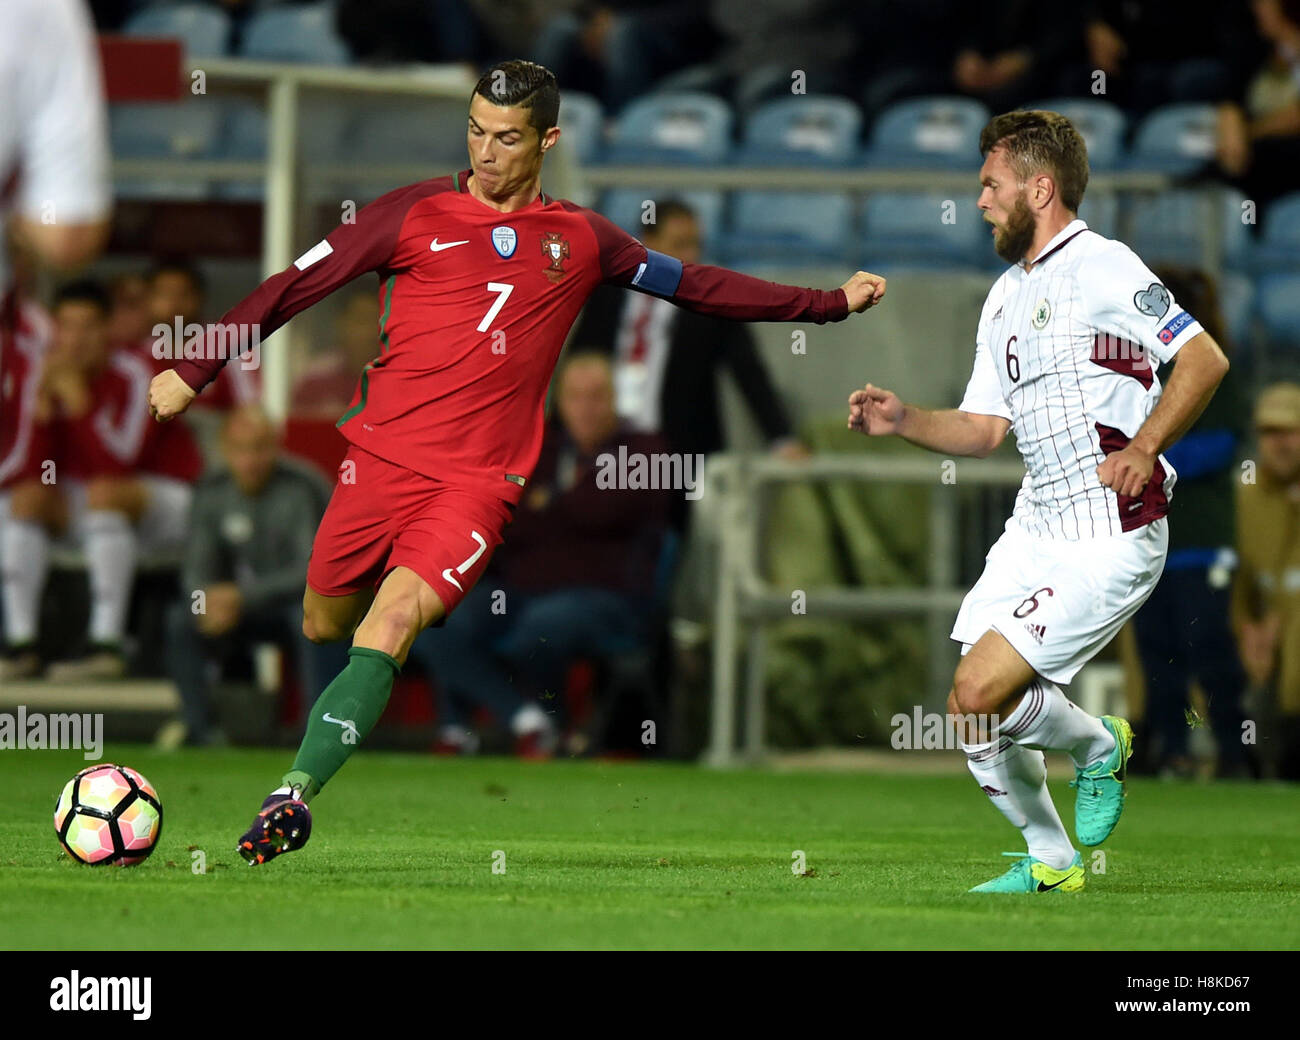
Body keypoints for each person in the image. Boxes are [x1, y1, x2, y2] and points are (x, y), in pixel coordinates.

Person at [147, 59, 887, 865]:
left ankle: (291, 796)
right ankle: (318, 740)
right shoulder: (410, 214)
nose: (485, 151)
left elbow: (696, 285)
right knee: (325, 620)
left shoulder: (583, 238)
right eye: (474, 131)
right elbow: (292, 285)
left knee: (391, 624)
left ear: (548, 140)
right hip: (378, 466)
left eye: (505, 137)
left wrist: (824, 304)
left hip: (476, 485)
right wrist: (196, 368)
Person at [848, 110, 1229, 893]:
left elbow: (1203, 357)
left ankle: (1096, 747)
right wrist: (904, 420)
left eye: (991, 185)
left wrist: (1144, 447)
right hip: (1038, 523)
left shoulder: (1103, 265)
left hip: (1112, 529)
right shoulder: (1003, 296)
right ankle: (1053, 862)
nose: (980, 200)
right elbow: (987, 429)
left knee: (986, 688)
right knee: (968, 705)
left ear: (1040, 187)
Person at [409, 352, 671, 756]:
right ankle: (524, 721)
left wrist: (548, 505)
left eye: (598, 396)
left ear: (616, 400)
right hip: (520, 590)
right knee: (438, 617)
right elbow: (506, 522)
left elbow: (601, 512)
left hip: (607, 596)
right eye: (576, 397)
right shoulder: (537, 448)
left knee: (542, 625)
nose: (586, 408)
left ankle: (547, 724)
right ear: (560, 403)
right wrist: (554, 507)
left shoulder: (645, 452)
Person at [1, 281, 201, 680]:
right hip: (97, 508)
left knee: (105, 493)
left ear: (108, 329)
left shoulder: (137, 370)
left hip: (168, 505)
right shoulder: (42, 375)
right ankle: (21, 645)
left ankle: (106, 645)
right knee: (26, 500)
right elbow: (29, 467)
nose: (76, 339)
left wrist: (79, 404)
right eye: (67, 327)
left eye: (88, 326)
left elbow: (121, 462)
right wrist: (42, 413)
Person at [571, 199, 805, 476]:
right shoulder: (606, 295)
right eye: (680, 244)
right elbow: (576, 365)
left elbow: (750, 374)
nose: (691, 255)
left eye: (696, 244)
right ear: (647, 244)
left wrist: (781, 438)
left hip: (677, 457)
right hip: (603, 449)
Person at [164, 406, 347, 747]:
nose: (251, 460)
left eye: (260, 447)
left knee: (309, 620)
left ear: (276, 446)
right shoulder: (211, 491)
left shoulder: (301, 487)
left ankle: (319, 736)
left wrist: (241, 597)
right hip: (242, 609)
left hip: (298, 605)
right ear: (224, 450)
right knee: (181, 618)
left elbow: (312, 572)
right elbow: (195, 569)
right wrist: (206, 601)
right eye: (240, 449)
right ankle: (200, 731)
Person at [1129, 267, 1251, 779]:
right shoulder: (1142, 373)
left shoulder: (1212, 368)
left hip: (1200, 537)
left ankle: (1233, 749)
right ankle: (1172, 750)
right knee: (1158, 651)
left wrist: (1148, 451)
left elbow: (1220, 446)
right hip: (1147, 538)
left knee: (1208, 645)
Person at [1232, 383, 1300, 780]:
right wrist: (1247, 627)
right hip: (1263, 630)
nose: (1279, 443)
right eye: (1269, 433)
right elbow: (1239, 578)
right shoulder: (1246, 496)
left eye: (1289, 431)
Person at [290, 289, 381, 417]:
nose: (370, 331)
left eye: (377, 320)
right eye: (361, 320)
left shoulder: (402, 378)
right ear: (342, 323)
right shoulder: (317, 379)